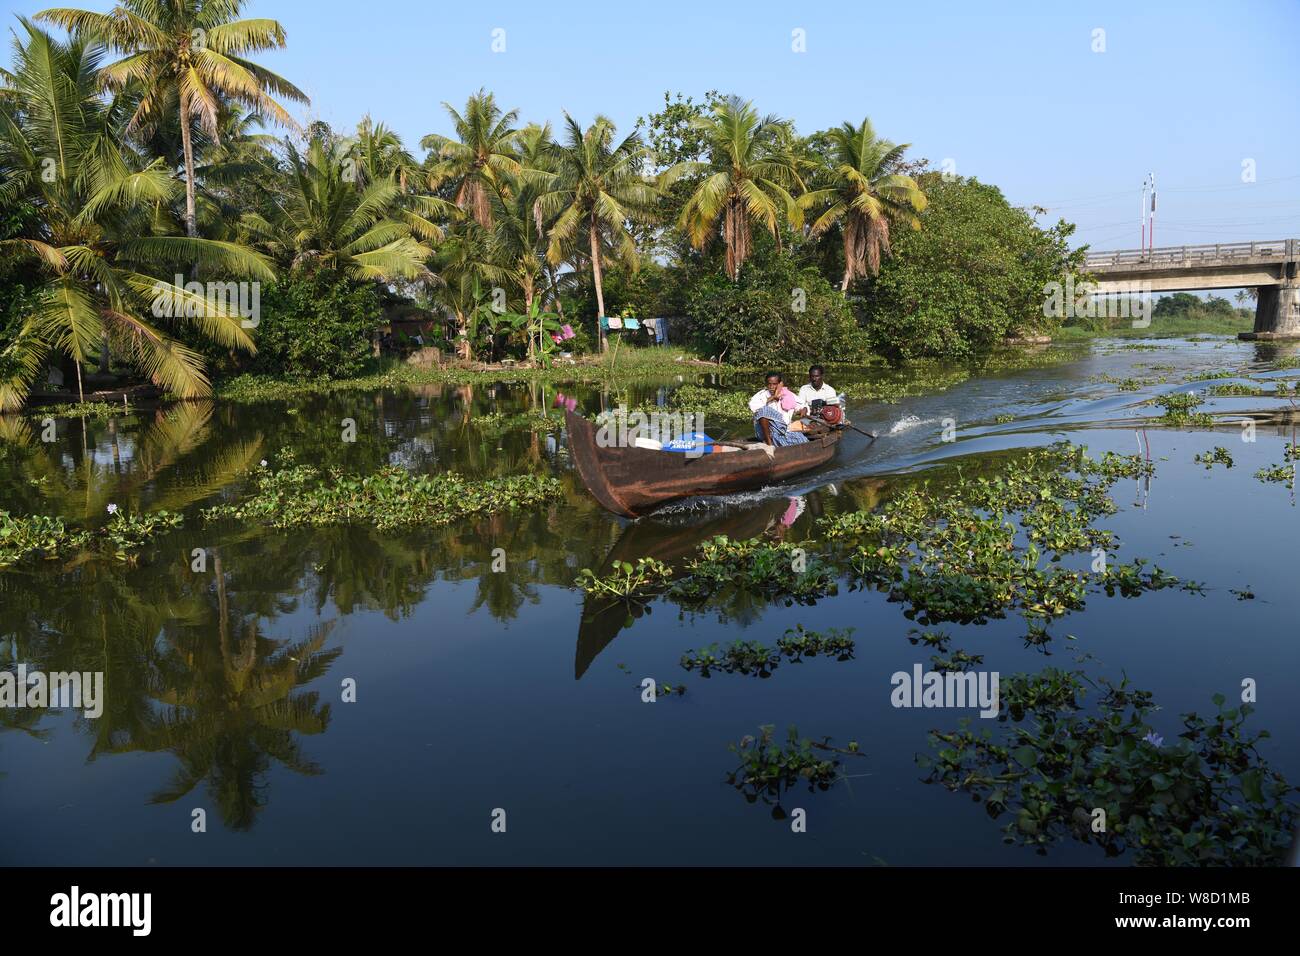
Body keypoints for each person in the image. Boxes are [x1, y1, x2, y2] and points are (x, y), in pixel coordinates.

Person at [748, 371, 809, 446]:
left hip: (783, 432)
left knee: (803, 441)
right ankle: (769, 443)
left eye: (774, 384)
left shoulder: (788, 395)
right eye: (769, 384)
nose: (771, 387)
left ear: (780, 384)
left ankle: (777, 443)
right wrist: (773, 397)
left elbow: (803, 405)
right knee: (764, 411)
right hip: (765, 434)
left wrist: (804, 409)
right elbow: (754, 407)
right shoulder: (761, 395)